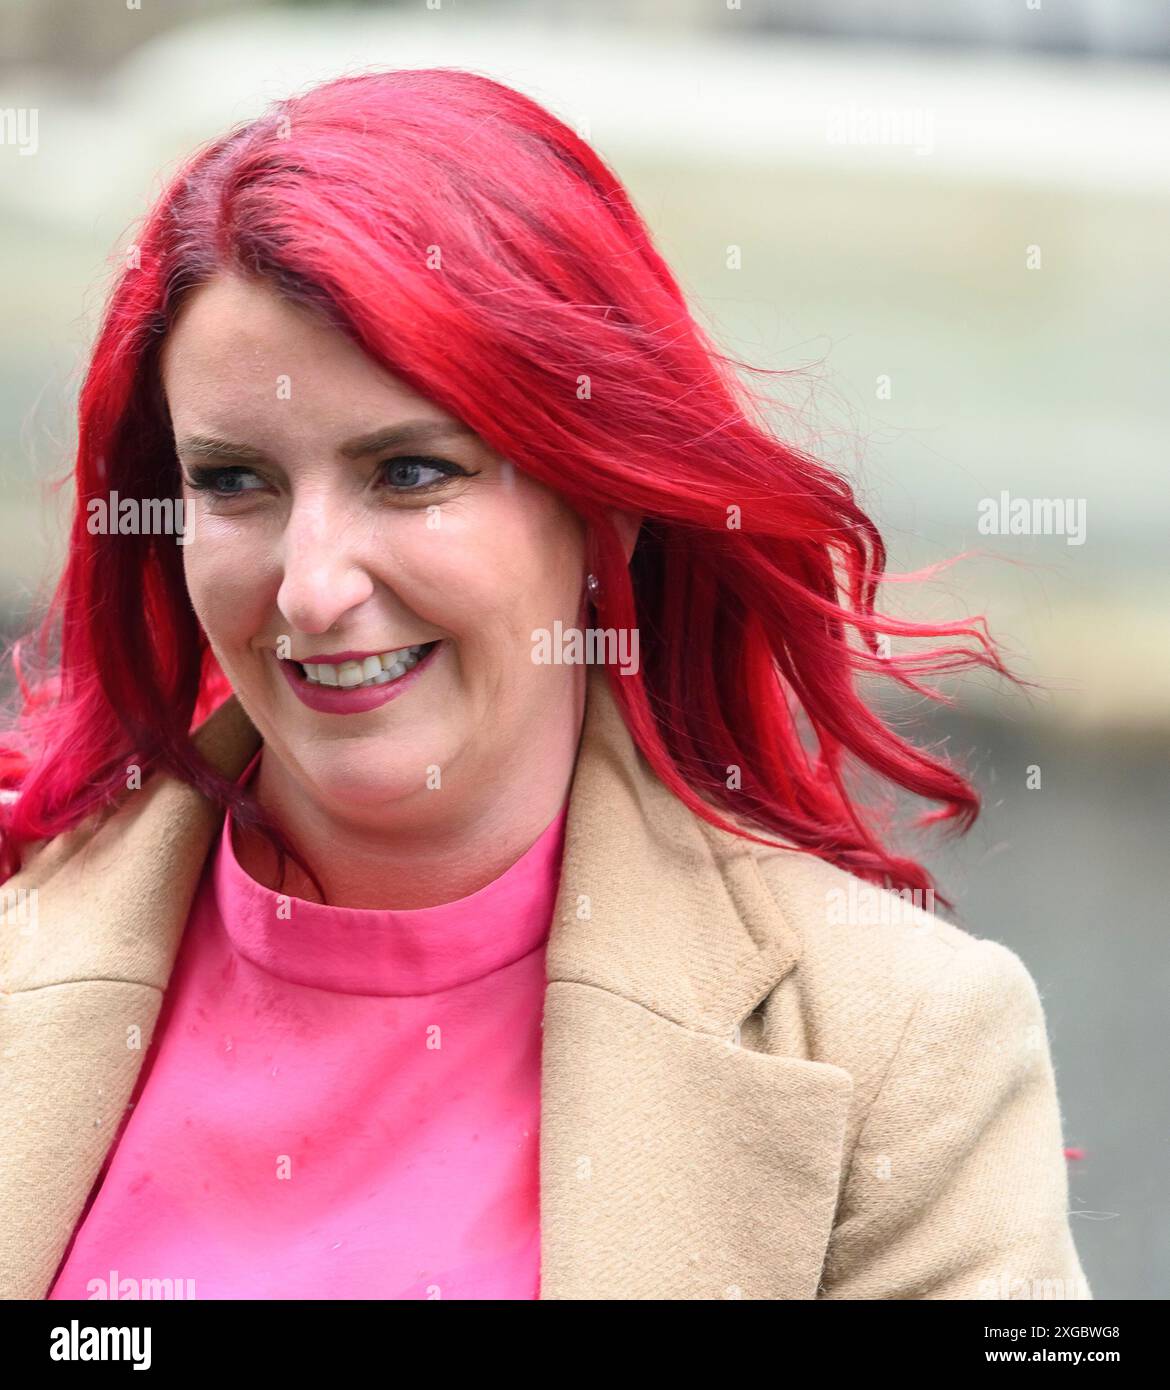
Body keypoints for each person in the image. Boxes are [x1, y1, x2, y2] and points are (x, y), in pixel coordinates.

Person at [0, 69, 1089, 1301]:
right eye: (236, 481)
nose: (310, 589)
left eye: (409, 472)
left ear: (606, 502)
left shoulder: (902, 1041)